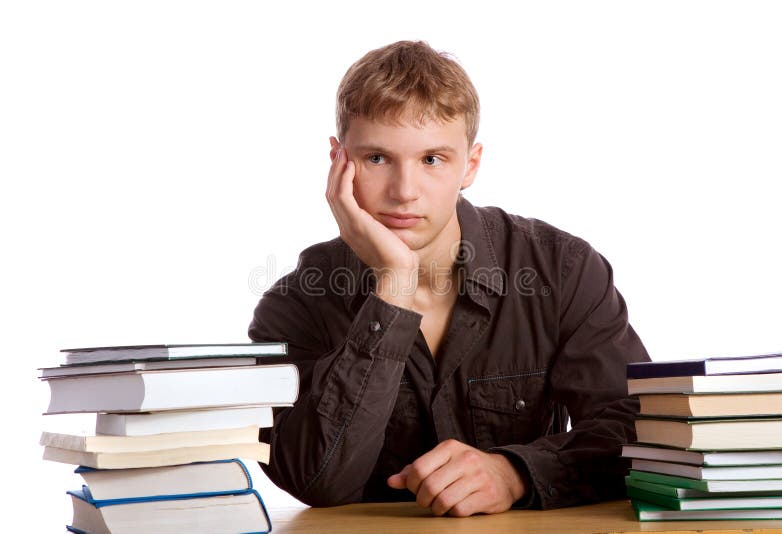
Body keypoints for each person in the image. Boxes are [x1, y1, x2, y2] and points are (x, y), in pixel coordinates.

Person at [248, 40, 650, 517]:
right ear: (340, 160)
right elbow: (315, 480)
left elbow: (643, 430)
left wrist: (517, 472)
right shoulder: (296, 303)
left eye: (432, 159)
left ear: (470, 165)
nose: (404, 192)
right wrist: (393, 287)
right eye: (377, 158)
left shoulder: (562, 270)